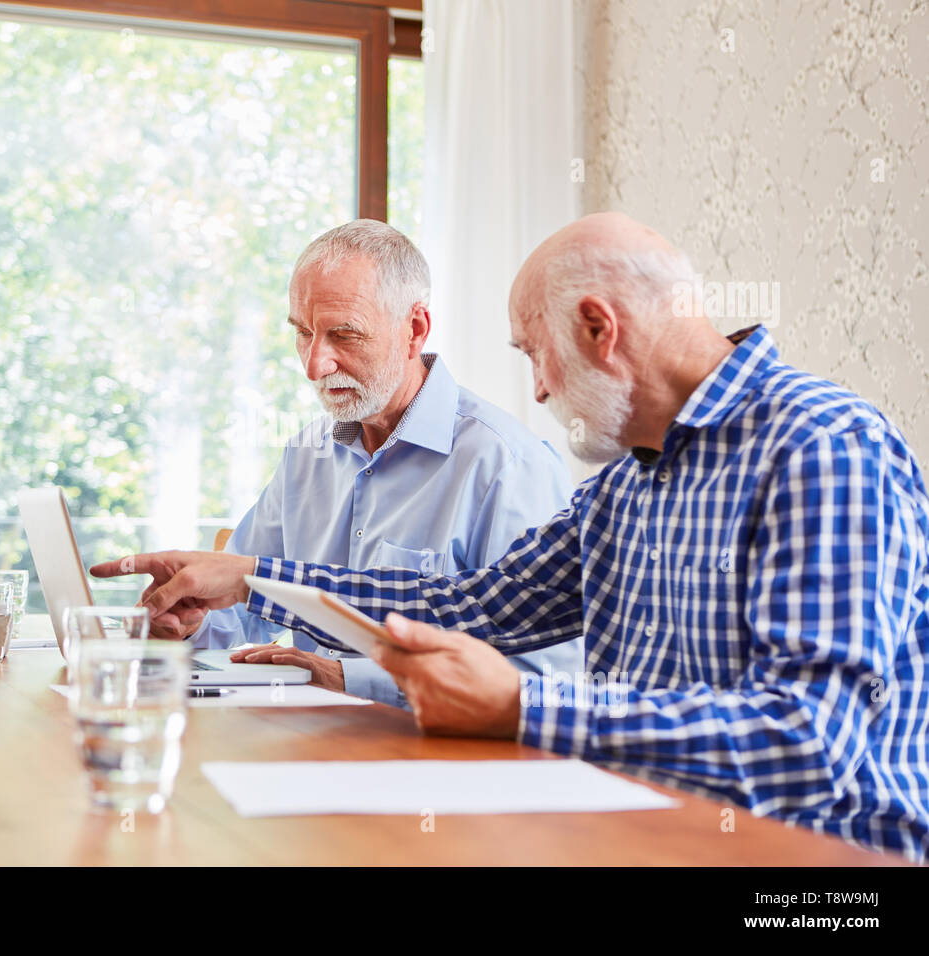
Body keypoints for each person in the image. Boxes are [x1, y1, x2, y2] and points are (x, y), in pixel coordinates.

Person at [93, 212, 929, 862]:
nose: (535, 389)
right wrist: (252, 579)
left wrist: (524, 706)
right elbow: (474, 605)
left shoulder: (821, 444)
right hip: (642, 831)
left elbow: (809, 741)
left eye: (538, 355)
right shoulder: (632, 478)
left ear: (601, 329)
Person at [185, 219, 582, 705]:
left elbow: (538, 680)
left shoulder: (506, 464)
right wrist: (187, 620)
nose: (315, 365)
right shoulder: (306, 455)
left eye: (344, 335)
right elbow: (240, 600)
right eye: (303, 334)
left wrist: (348, 677)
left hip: (438, 761)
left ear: (414, 330)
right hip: (310, 743)